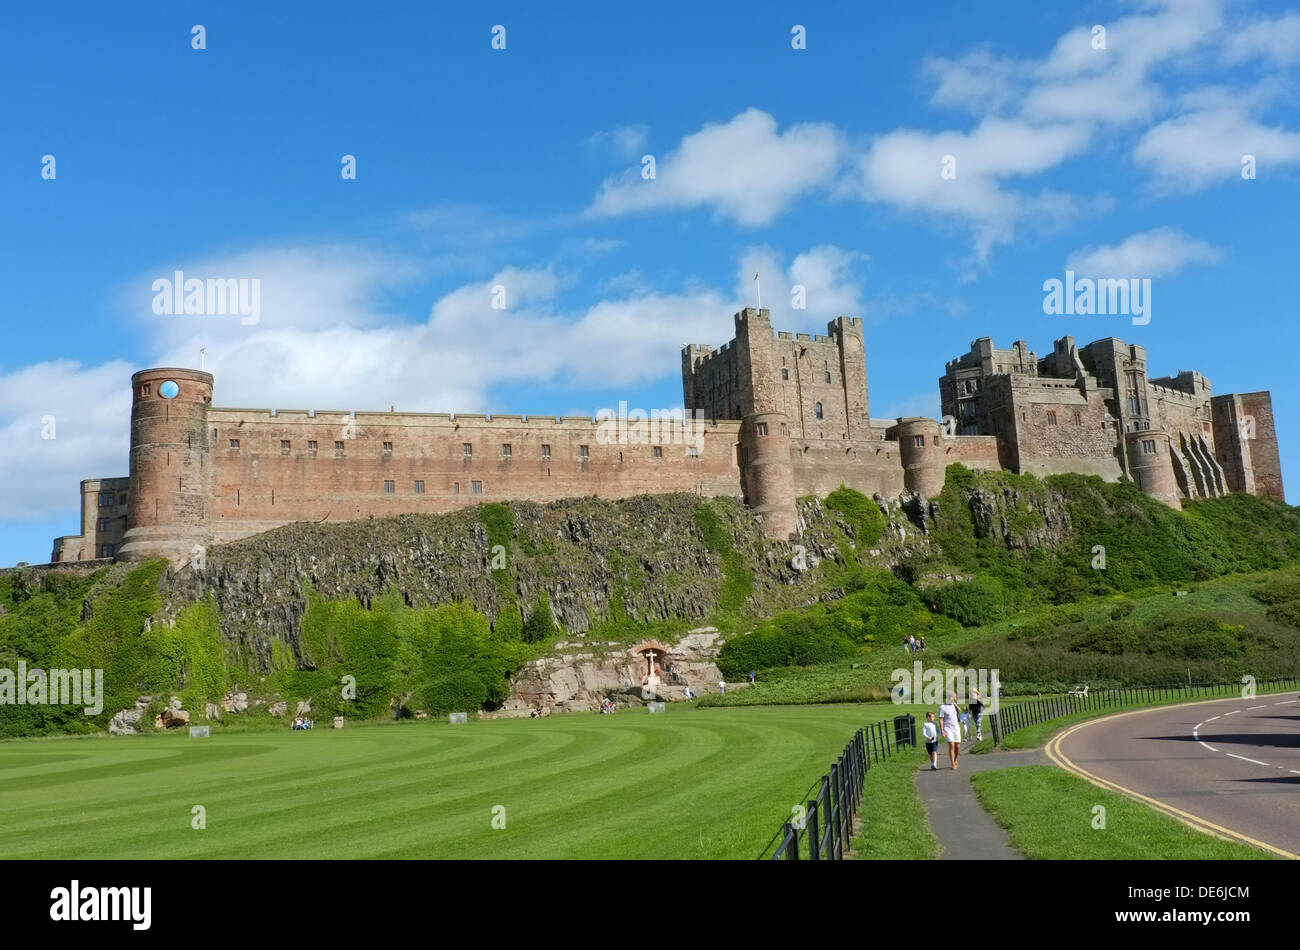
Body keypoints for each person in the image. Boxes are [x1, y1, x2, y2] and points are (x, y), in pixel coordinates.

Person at [938, 692, 963, 769]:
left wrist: (958, 711)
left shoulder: (954, 705)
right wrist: (942, 730)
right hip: (948, 729)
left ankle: (955, 760)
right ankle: (952, 763)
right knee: (951, 745)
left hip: (956, 728)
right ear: (950, 697)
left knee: (958, 747)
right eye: (955, 697)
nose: (956, 698)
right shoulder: (942, 707)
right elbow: (941, 719)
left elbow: (957, 716)